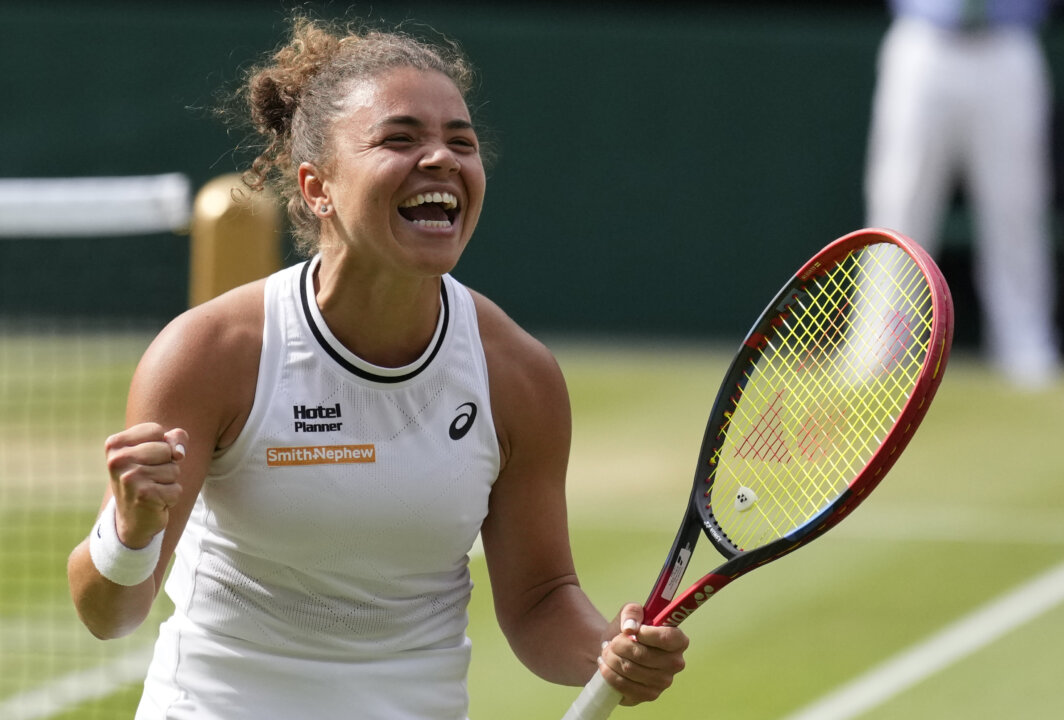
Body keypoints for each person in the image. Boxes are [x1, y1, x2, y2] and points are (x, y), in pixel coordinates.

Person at [66, 12, 689, 719]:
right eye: (400, 138)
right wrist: (130, 532)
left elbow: (542, 601)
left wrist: (607, 652)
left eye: (463, 141)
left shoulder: (517, 375)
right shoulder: (213, 354)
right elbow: (107, 614)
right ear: (316, 187)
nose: (442, 158)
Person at [864, 0, 1061, 389]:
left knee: (1016, 207)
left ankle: (1024, 347)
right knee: (900, 204)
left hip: (1009, 42)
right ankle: (881, 347)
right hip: (923, 40)